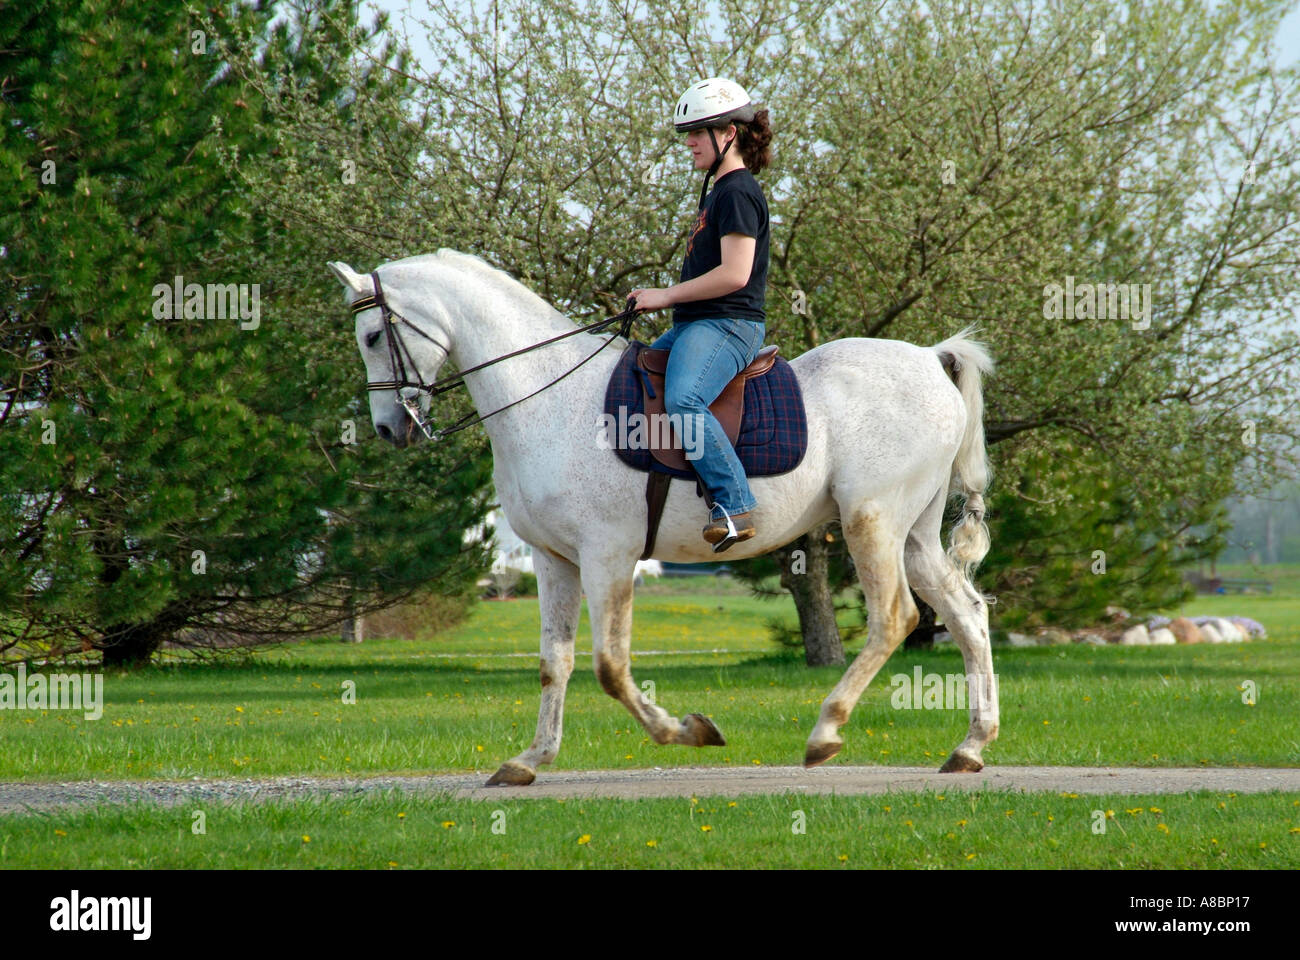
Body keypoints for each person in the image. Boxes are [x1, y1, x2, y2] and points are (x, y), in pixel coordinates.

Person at [627, 77, 773, 552]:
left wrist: (665, 295)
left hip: (728, 325)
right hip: (696, 325)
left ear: (728, 132)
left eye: (696, 132)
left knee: (684, 401)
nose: (688, 143)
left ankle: (734, 503)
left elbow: (735, 274)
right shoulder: (718, 192)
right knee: (631, 372)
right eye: (685, 134)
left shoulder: (737, 193)